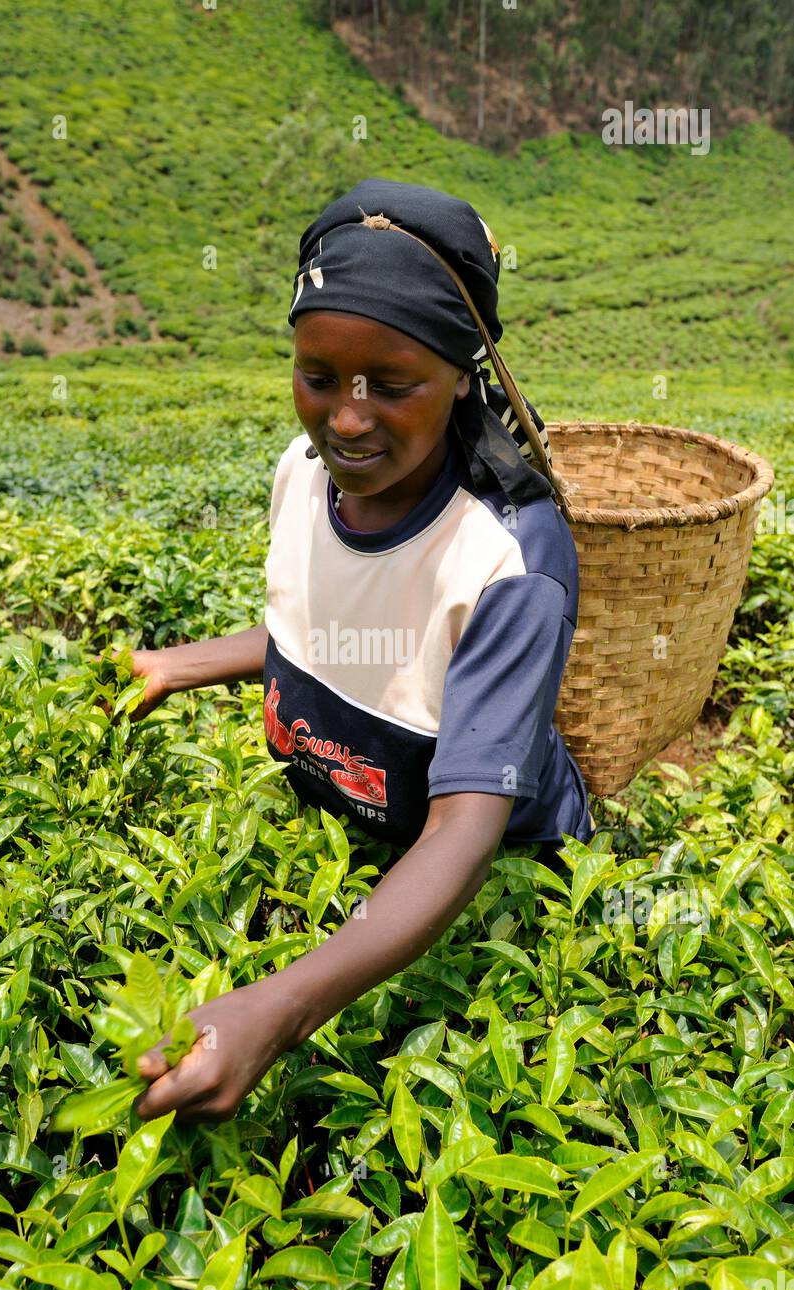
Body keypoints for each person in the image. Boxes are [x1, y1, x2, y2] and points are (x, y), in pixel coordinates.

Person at [129, 178, 594, 1124]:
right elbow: (330, 631)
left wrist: (278, 1010)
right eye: (317, 376)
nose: (345, 418)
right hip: (351, 830)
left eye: (391, 386)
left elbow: (464, 836)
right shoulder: (302, 477)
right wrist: (183, 661)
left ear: (462, 372)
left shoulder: (506, 555)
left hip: (482, 883)